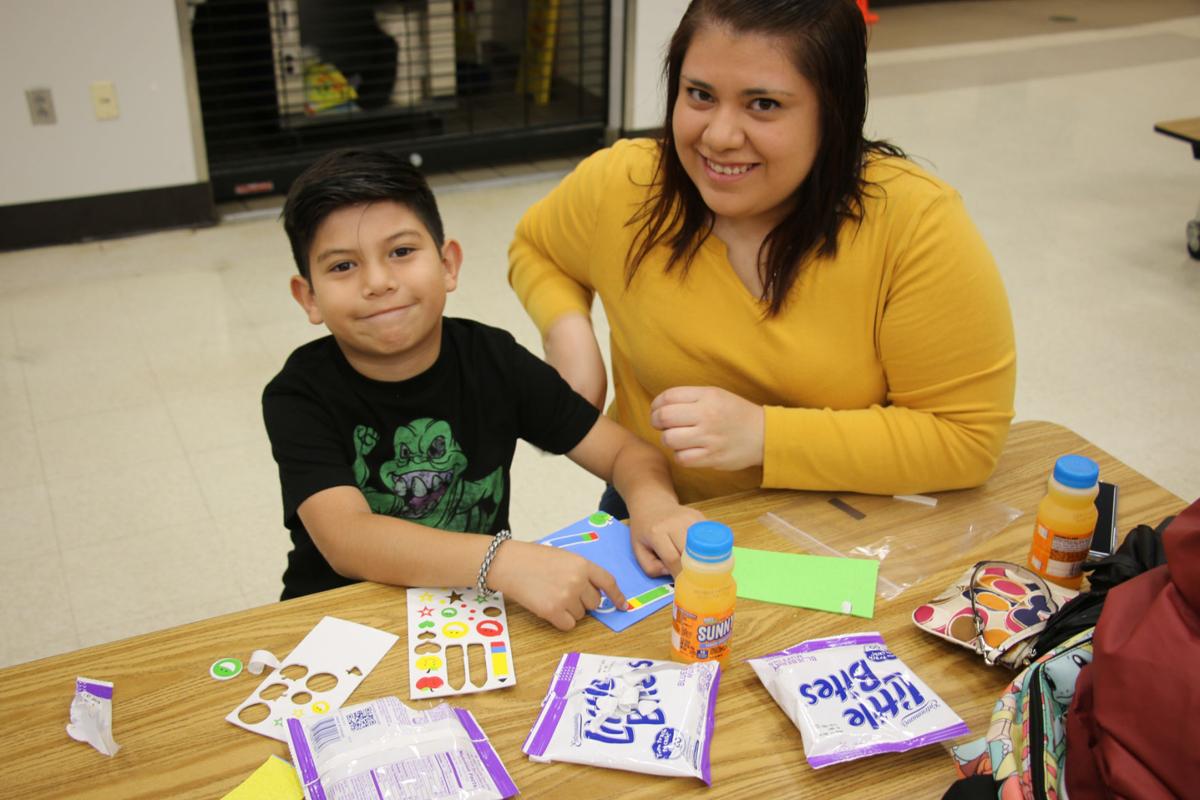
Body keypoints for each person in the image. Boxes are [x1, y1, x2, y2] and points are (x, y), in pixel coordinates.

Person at [510, 0, 1016, 561]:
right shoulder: (625, 184)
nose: (720, 136)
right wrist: (570, 334)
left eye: (764, 104)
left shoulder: (913, 222)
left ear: (834, 111)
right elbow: (537, 249)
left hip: (847, 533)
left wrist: (764, 436)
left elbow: (966, 439)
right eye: (699, 94)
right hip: (658, 518)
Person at [263, 149, 702, 629]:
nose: (379, 282)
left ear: (448, 264)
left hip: (471, 612)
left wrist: (653, 503)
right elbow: (347, 538)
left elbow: (625, 454)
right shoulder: (299, 394)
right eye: (343, 266)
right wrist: (503, 561)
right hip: (342, 620)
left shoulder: (492, 360)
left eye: (402, 252)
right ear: (309, 297)